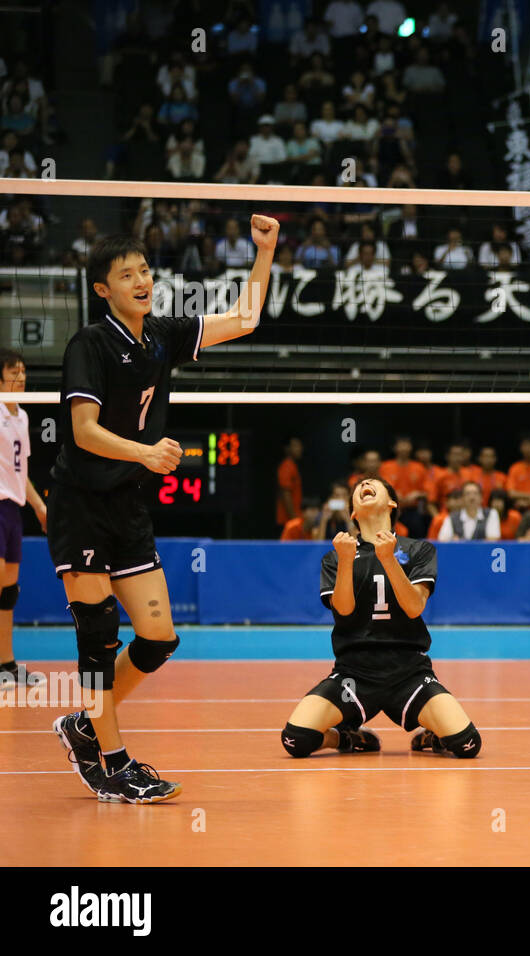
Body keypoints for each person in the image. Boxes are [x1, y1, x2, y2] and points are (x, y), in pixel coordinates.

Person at [50, 216, 279, 802]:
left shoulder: (160, 335)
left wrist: (266, 250)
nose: (141, 280)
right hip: (81, 505)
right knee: (99, 636)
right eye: (126, 274)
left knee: (157, 638)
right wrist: (147, 453)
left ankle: (83, 724)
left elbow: (246, 319)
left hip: (126, 504)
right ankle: (115, 762)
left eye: (145, 270)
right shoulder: (90, 344)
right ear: (102, 288)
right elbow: (83, 431)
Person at [281, 477, 481, 759]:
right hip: (353, 674)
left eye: (373, 483)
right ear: (353, 512)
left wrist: (388, 558)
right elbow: (344, 611)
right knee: (294, 740)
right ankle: (345, 738)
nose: (365, 484)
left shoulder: (418, 550)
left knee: (468, 744)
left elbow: (414, 608)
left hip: (408, 672)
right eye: (359, 486)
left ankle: (432, 736)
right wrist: (347, 561)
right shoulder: (337, 555)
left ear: (391, 503)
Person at [0, 349, 47, 689]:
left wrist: (40, 507)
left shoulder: (23, 417)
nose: (21, 378)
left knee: (8, 590)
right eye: (14, 373)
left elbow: (22, 470)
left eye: (23, 372)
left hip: (13, 509)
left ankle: (7, 665)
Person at [276, 437, 303, 535]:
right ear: (287, 449)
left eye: (300, 445)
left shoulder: (292, 465)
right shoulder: (287, 466)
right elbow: (285, 493)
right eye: (295, 446)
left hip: (292, 519)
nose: (299, 448)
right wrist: (294, 519)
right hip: (287, 520)